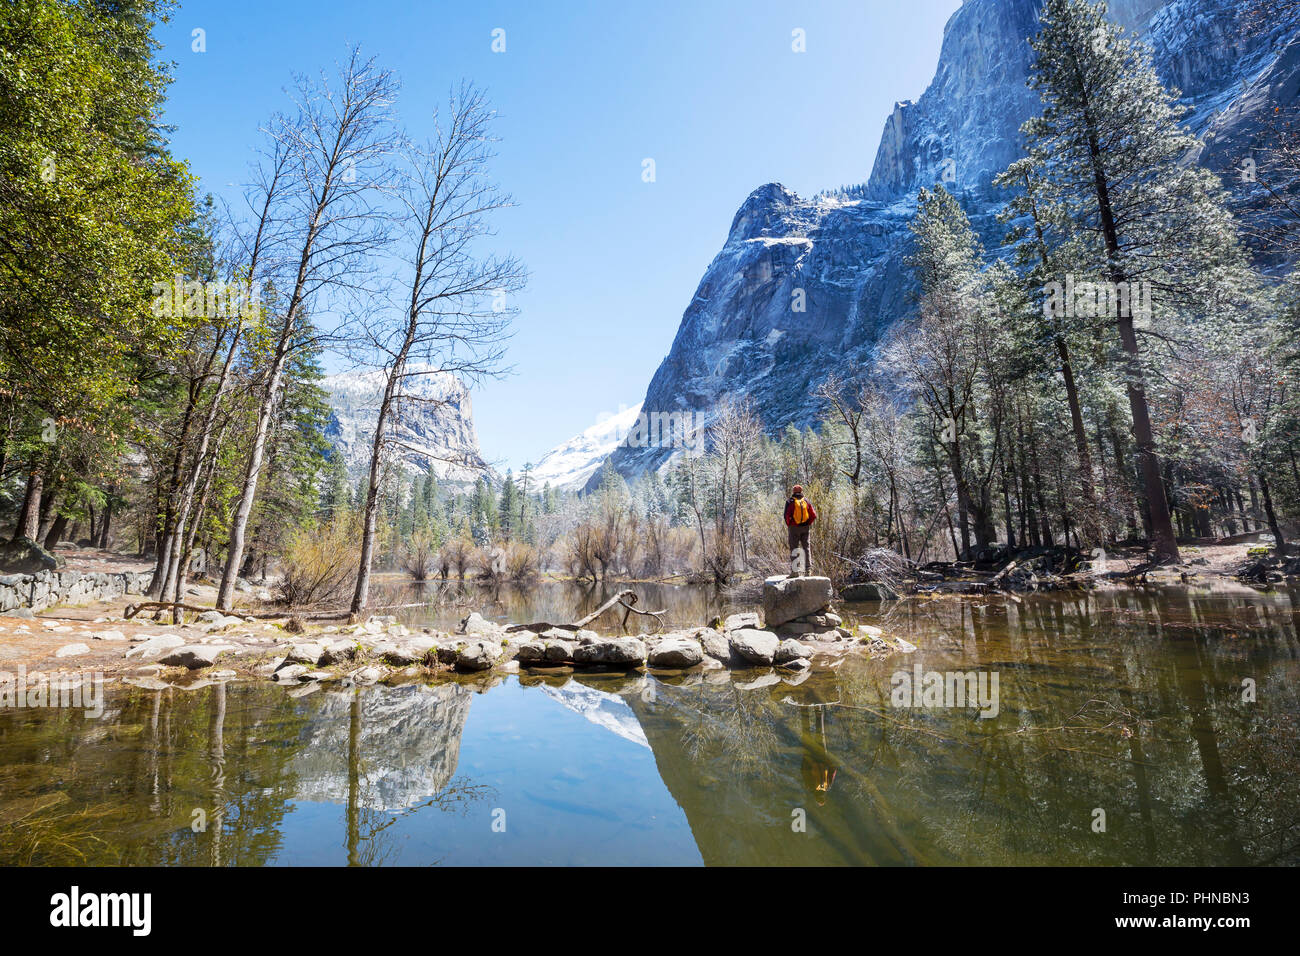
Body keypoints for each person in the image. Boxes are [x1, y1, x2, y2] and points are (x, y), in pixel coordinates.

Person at [784, 484, 817, 576]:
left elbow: (786, 516)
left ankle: (795, 572)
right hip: (805, 528)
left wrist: (790, 524)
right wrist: (808, 523)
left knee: (794, 548)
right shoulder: (806, 501)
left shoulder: (790, 502)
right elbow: (813, 515)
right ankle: (808, 570)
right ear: (801, 492)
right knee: (806, 548)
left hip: (793, 528)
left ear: (793, 492)